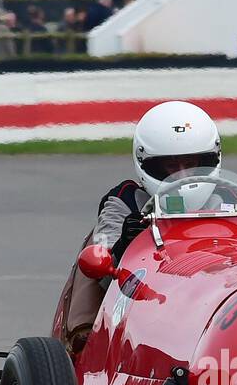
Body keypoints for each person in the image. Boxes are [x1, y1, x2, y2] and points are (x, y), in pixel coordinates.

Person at [59, 101, 222, 353]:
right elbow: (103, 271)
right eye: (170, 166)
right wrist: (126, 245)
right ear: (148, 164)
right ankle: (81, 345)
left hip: (213, 297)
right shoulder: (123, 201)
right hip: (140, 300)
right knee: (93, 256)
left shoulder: (233, 199)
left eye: (191, 164)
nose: (181, 176)